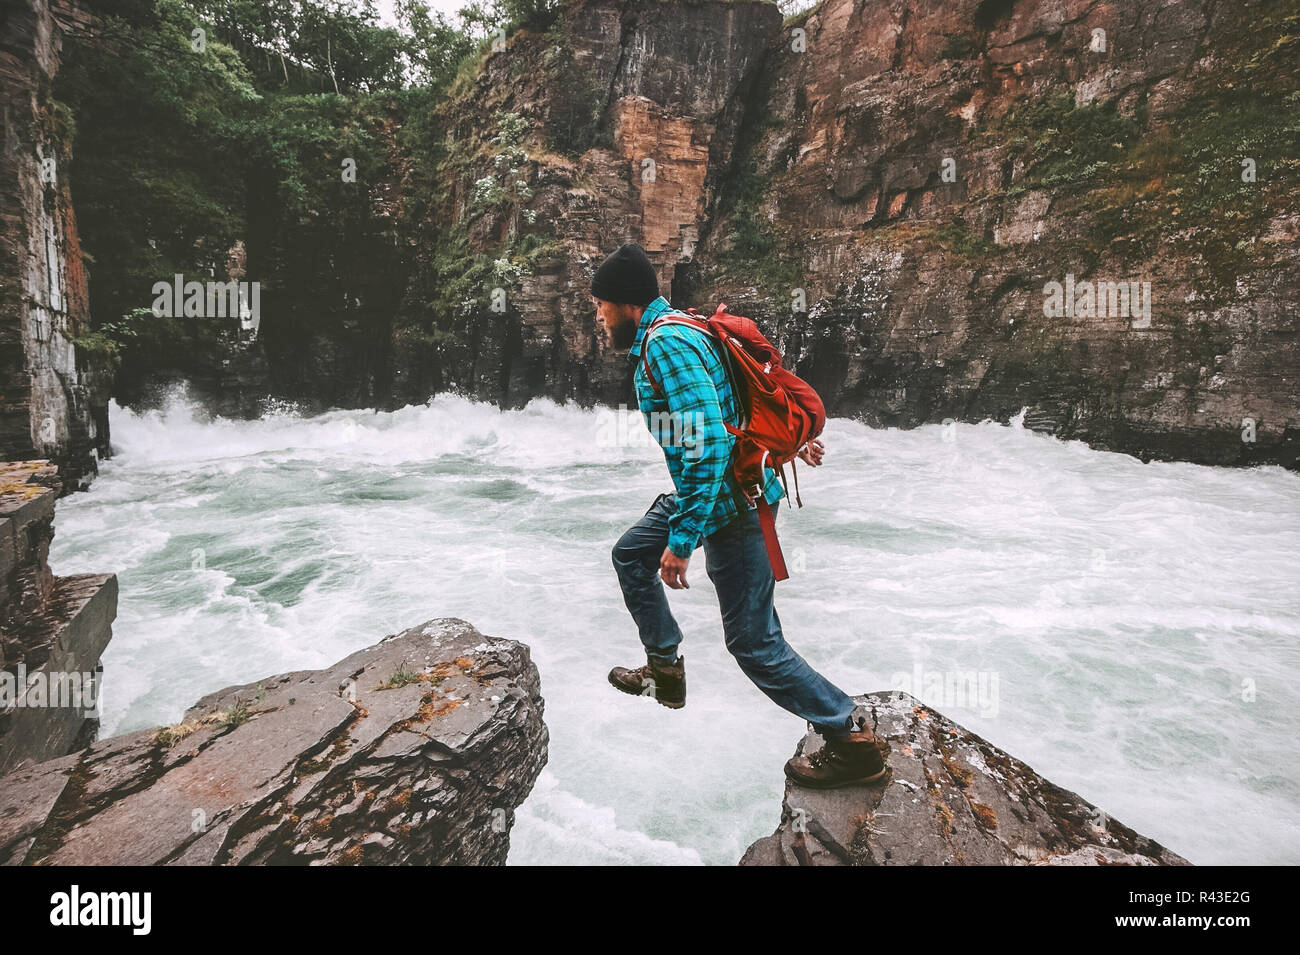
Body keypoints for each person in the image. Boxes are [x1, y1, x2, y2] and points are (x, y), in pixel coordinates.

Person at [592, 242, 890, 788]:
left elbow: (705, 443)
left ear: (628, 304)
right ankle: (665, 673)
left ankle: (851, 737)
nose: (598, 315)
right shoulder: (688, 326)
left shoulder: (666, 345)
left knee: (753, 641)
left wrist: (683, 540)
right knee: (630, 554)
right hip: (720, 493)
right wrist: (785, 445)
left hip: (731, 505)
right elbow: (737, 401)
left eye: (601, 304)